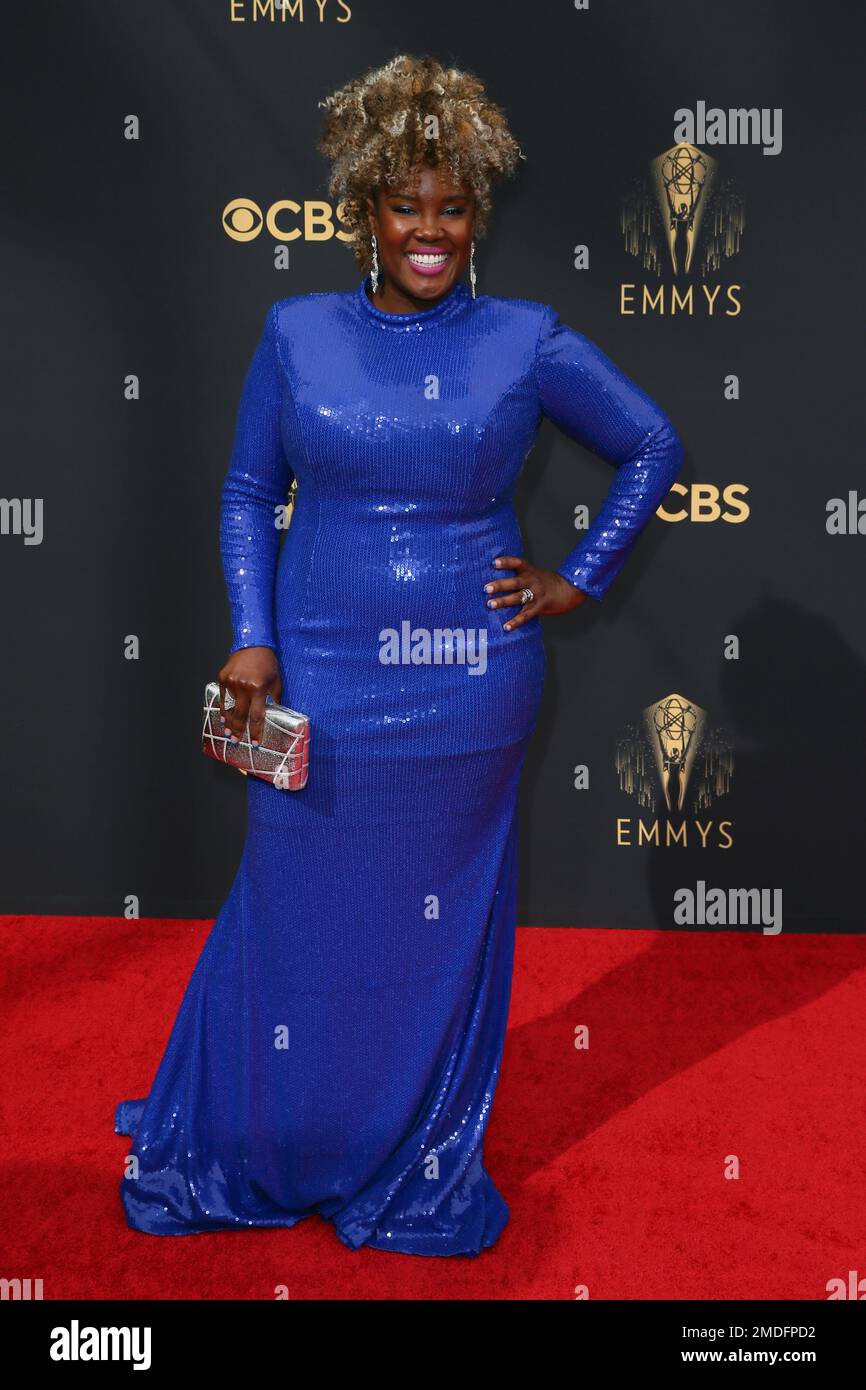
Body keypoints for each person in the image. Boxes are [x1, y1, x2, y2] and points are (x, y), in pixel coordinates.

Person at [115, 53, 684, 1256]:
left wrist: (574, 578)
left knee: (435, 934)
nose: (428, 230)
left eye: (452, 206)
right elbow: (244, 490)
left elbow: (650, 442)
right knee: (296, 912)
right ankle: (276, 1137)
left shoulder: (527, 338)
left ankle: (412, 1149)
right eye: (404, 204)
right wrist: (254, 639)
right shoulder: (295, 332)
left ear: (476, 216)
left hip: (470, 687)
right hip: (317, 675)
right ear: (365, 208)